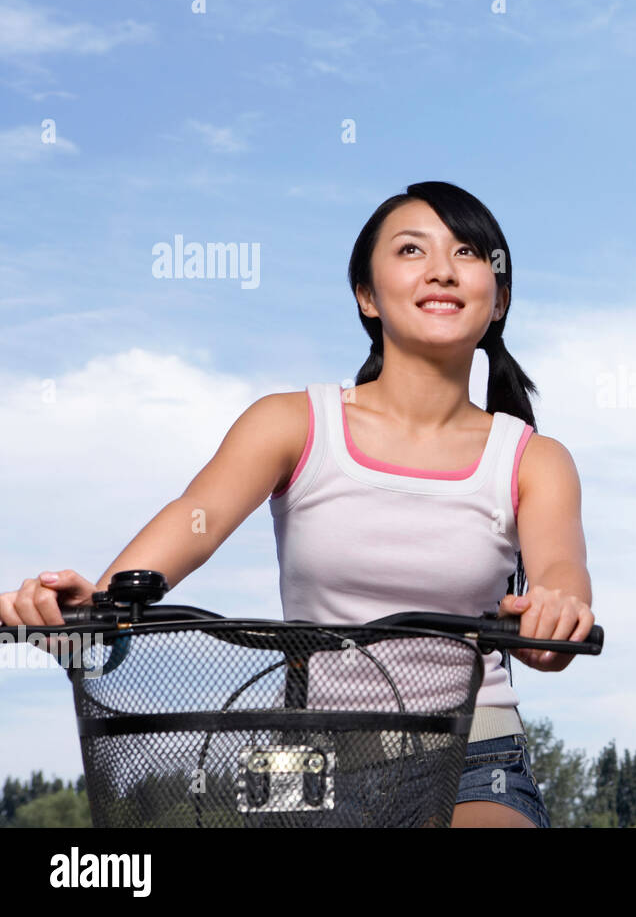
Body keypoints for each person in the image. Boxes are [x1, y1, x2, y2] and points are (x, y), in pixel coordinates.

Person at [2, 181, 594, 828]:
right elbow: (196, 517)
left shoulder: (535, 458)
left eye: (468, 253)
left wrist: (557, 609)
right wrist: (101, 604)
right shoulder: (290, 422)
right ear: (367, 296)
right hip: (312, 760)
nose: (442, 270)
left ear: (498, 295)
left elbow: (560, 580)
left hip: (472, 755)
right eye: (410, 251)